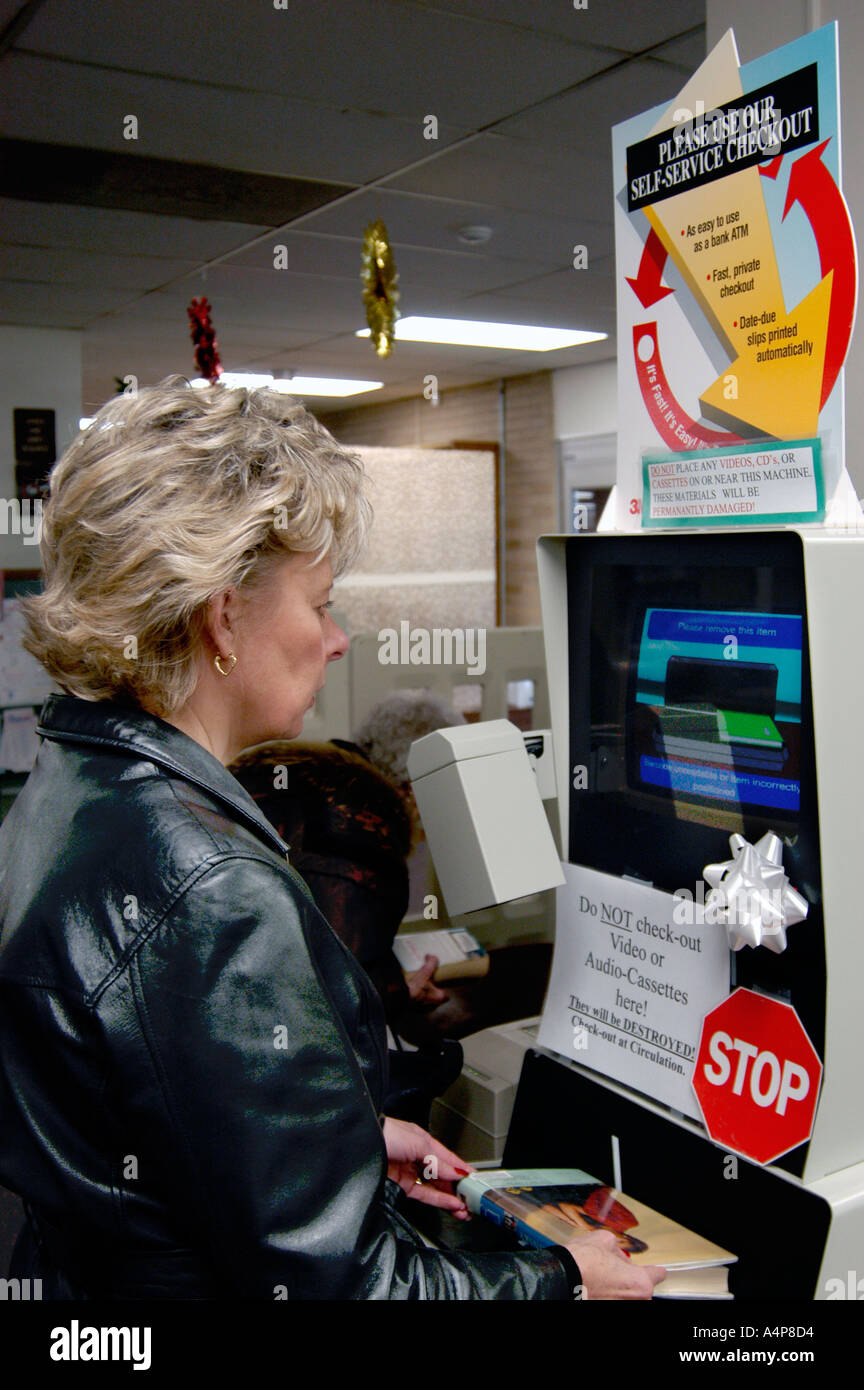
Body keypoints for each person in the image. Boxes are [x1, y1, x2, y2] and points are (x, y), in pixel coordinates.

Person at [0, 378, 664, 1300]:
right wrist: (563, 1279)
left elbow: (161, 1113)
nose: (340, 638)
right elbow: (352, 1292)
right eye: (320, 603)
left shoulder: (73, 780)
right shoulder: (211, 887)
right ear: (222, 615)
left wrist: (337, 1141)